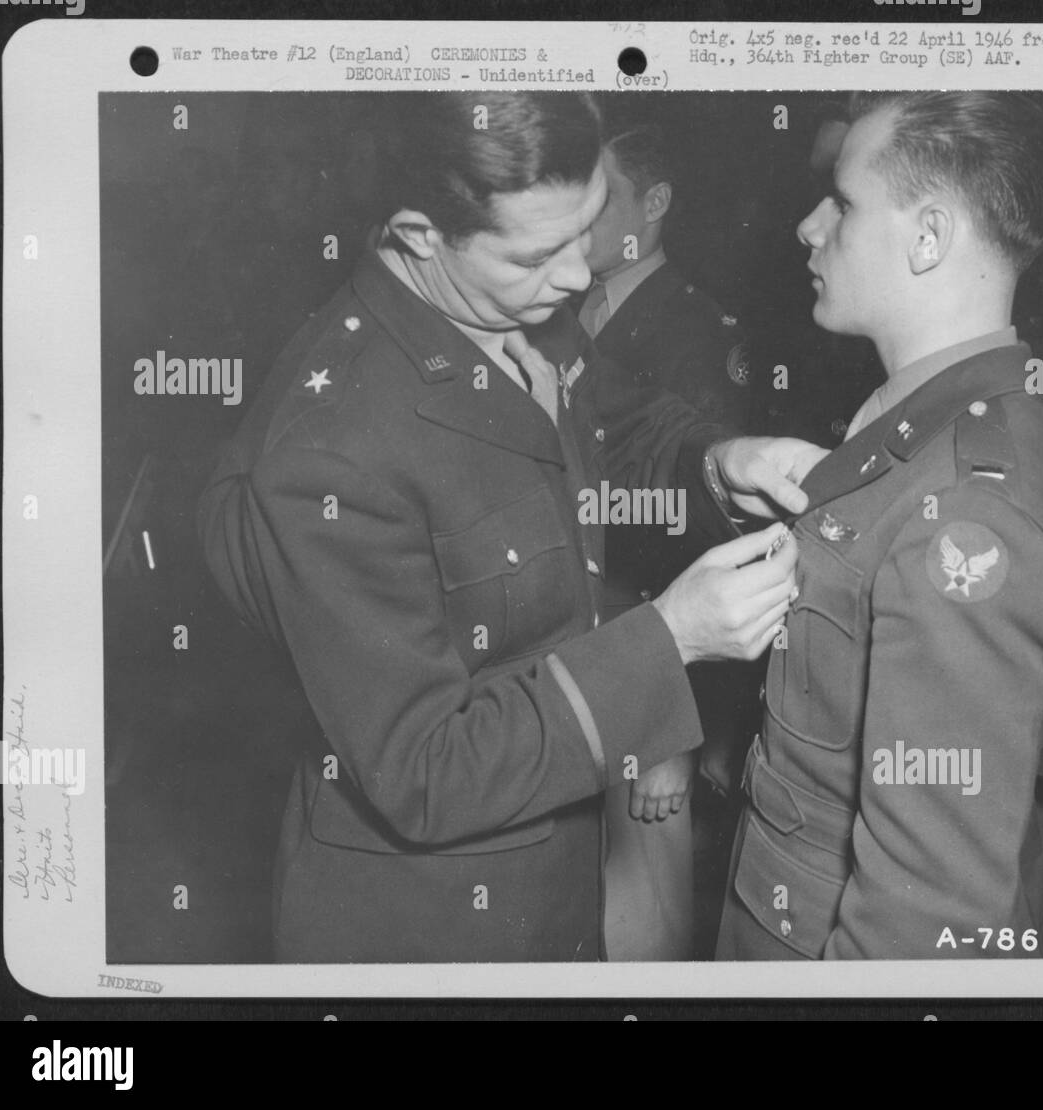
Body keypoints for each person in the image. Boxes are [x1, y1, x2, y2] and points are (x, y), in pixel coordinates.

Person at [197, 91, 825, 963]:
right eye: (540, 251)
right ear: (420, 234)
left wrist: (721, 461)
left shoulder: (515, 304)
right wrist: (668, 638)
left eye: (591, 226)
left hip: (557, 875)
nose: (578, 274)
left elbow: (611, 419)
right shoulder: (328, 452)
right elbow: (425, 770)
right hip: (432, 927)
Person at [715, 91, 1043, 960]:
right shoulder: (971, 421)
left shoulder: (965, 510)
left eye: (843, 203)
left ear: (928, 237)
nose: (810, 227)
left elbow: (922, 926)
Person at [577, 120, 761, 960]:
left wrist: (677, 734)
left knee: (640, 927)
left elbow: (707, 546)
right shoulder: (568, 303)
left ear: (653, 205)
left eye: (601, 195)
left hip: (650, 671)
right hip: (577, 655)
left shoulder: (693, 330)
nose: (579, 216)